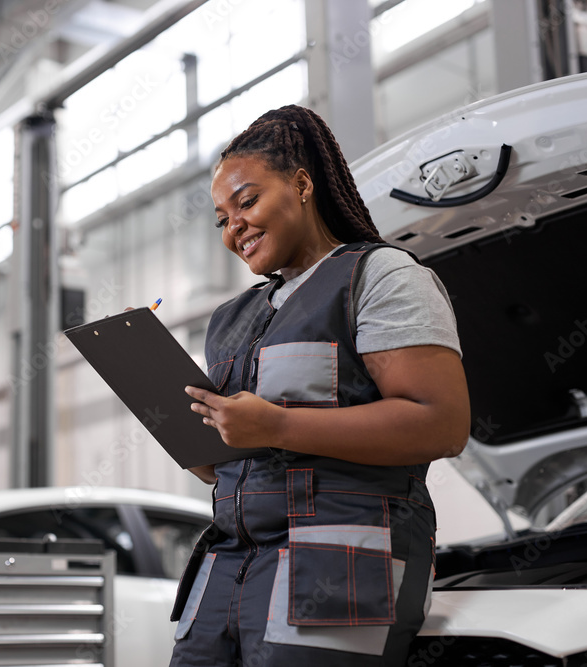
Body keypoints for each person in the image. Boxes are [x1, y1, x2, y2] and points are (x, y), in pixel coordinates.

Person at [168, 105, 470, 666]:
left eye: (247, 201)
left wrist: (278, 425)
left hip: (335, 575)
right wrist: (198, 445)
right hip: (228, 571)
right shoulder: (231, 318)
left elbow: (442, 423)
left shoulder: (379, 276)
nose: (234, 227)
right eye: (221, 219)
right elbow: (233, 460)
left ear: (302, 185)